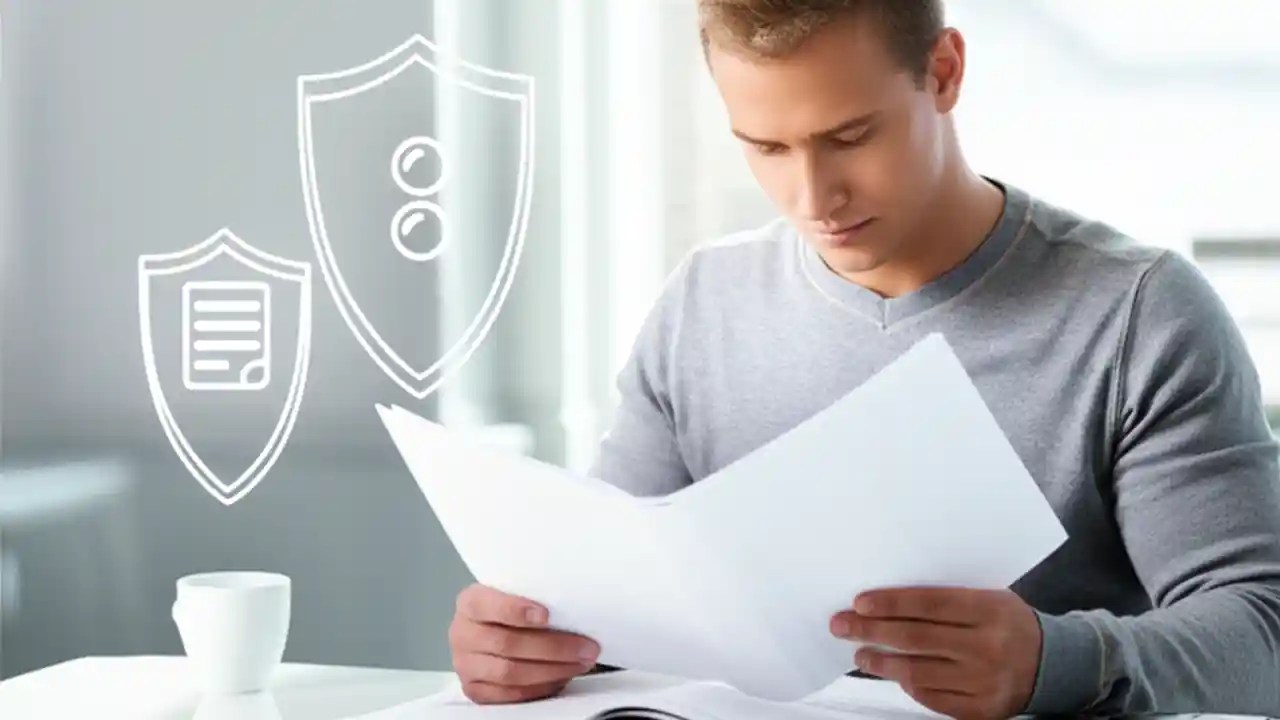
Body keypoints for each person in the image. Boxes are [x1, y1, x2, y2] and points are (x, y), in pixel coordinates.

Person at [446, 1, 1280, 716]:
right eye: (765, 147)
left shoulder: (1139, 313)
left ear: (945, 71)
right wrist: (527, 640)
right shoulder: (704, 306)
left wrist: (1054, 661)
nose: (815, 199)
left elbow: (1261, 629)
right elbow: (608, 596)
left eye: (850, 136)